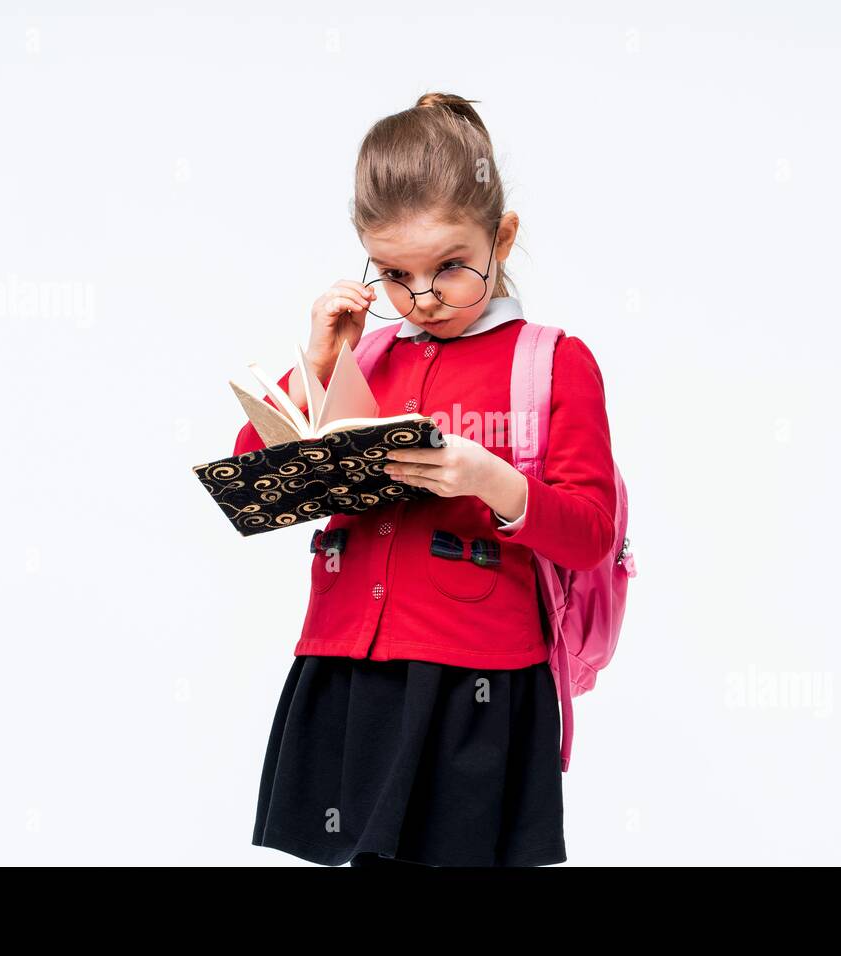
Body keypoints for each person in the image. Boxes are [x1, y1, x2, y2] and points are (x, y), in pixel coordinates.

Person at [234, 92, 618, 867]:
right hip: (348, 664)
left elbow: (590, 535)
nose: (424, 298)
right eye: (395, 276)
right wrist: (316, 364)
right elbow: (254, 478)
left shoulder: (553, 361)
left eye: (450, 266)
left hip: (474, 683)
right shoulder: (364, 357)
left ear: (501, 237)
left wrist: (492, 480)